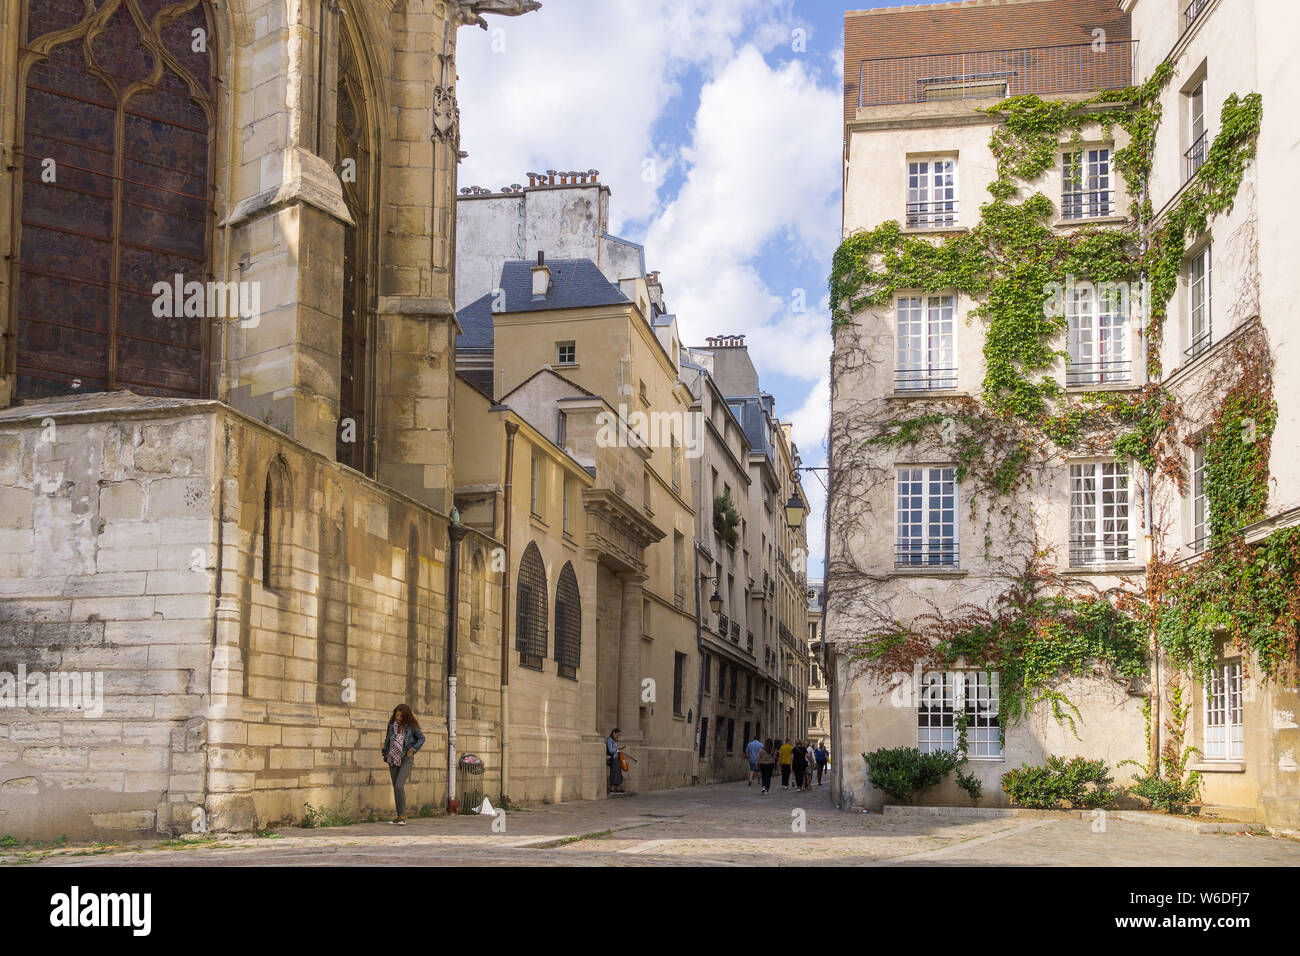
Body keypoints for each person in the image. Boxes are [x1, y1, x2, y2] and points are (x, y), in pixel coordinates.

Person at [381, 703, 426, 825]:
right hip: (392, 758)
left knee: (399, 785)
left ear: (406, 716)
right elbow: (387, 740)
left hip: (406, 758)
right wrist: (385, 753)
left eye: (401, 716)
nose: (398, 718)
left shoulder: (411, 727)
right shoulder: (391, 726)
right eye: (397, 715)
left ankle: (402, 816)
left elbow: (421, 738)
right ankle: (399, 816)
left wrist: (413, 750)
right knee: (396, 788)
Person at [606, 727, 626, 794]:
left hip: (616, 758)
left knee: (618, 773)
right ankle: (612, 788)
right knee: (613, 773)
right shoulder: (609, 740)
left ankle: (618, 788)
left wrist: (620, 749)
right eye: (617, 735)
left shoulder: (614, 740)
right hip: (613, 759)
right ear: (614, 733)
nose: (618, 736)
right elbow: (611, 750)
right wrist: (618, 748)